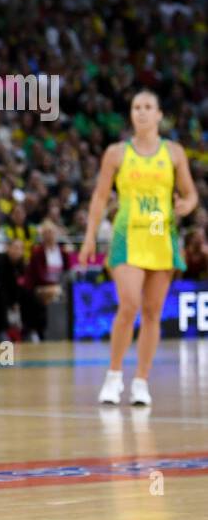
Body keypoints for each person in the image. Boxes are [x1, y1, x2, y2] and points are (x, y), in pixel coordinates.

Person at [78, 91, 198, 406]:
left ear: (159, 115)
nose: (142, 112)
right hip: (127, 236)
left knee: (152, 312)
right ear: (131, 115)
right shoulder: (116, 153)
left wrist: (186, 205)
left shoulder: (174, 153)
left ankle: (141, 381)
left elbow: (191, 194)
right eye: (136, 107)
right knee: (129, 303)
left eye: (148, 107)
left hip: (161, 236)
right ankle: (114, 375)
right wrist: (90, 235)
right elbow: (101, 198)